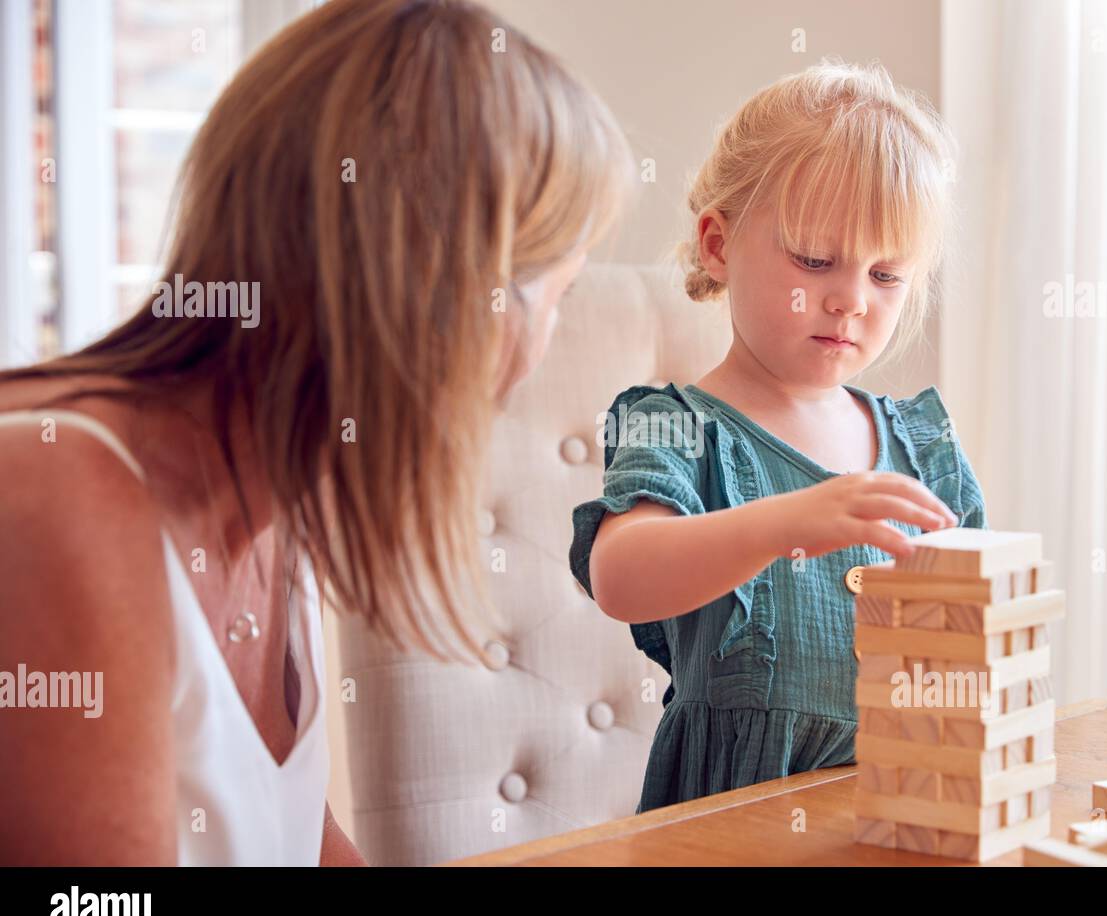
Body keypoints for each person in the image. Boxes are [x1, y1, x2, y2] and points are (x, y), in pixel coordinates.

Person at [0, 0, 633, 865]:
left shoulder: (277, 486)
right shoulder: (62, 500)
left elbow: (297, 839)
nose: (533, 355)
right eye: (554, 296)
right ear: (442, 308)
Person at [570, 60, 985, 813]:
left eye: (887, 275)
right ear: (718, 245)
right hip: (724, 828)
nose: (850, 299)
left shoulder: (924, 447)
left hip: (894, 819)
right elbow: (620, 577)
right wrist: (785, 523)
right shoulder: (670, 424)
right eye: (815, 260)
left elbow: (973, 646)